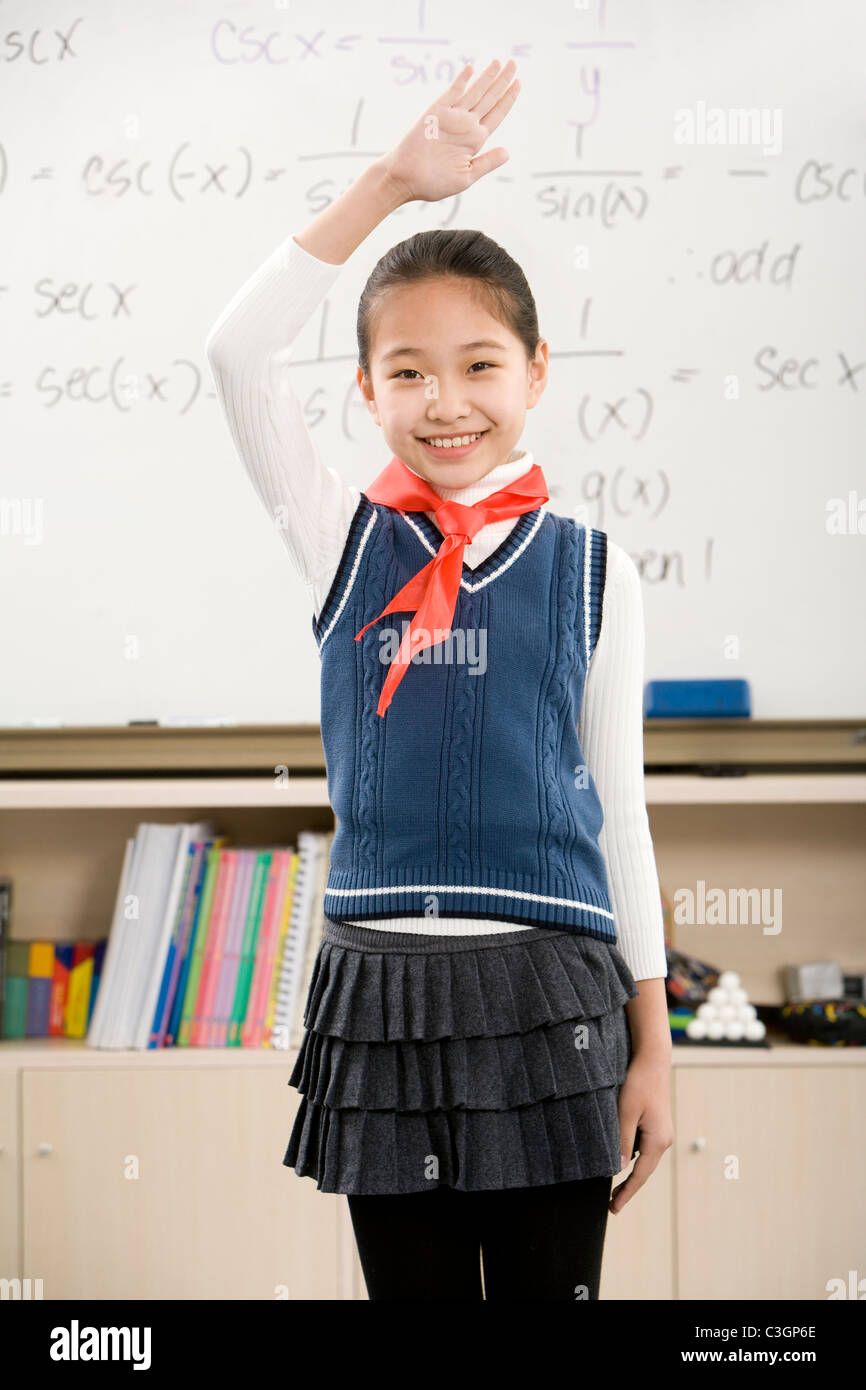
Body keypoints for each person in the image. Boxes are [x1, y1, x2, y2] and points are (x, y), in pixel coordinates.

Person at [205, 57, 673, 1301]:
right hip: (381, 1003)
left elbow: (615, 811)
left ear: (534, 373)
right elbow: (236, 353)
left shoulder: (591, 572)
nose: (443, 399)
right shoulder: (341, 540)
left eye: (477, 364)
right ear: (365, 390)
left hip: (554, 1004)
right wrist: (384, 187)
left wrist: (654, 1044)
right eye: (406, 370)